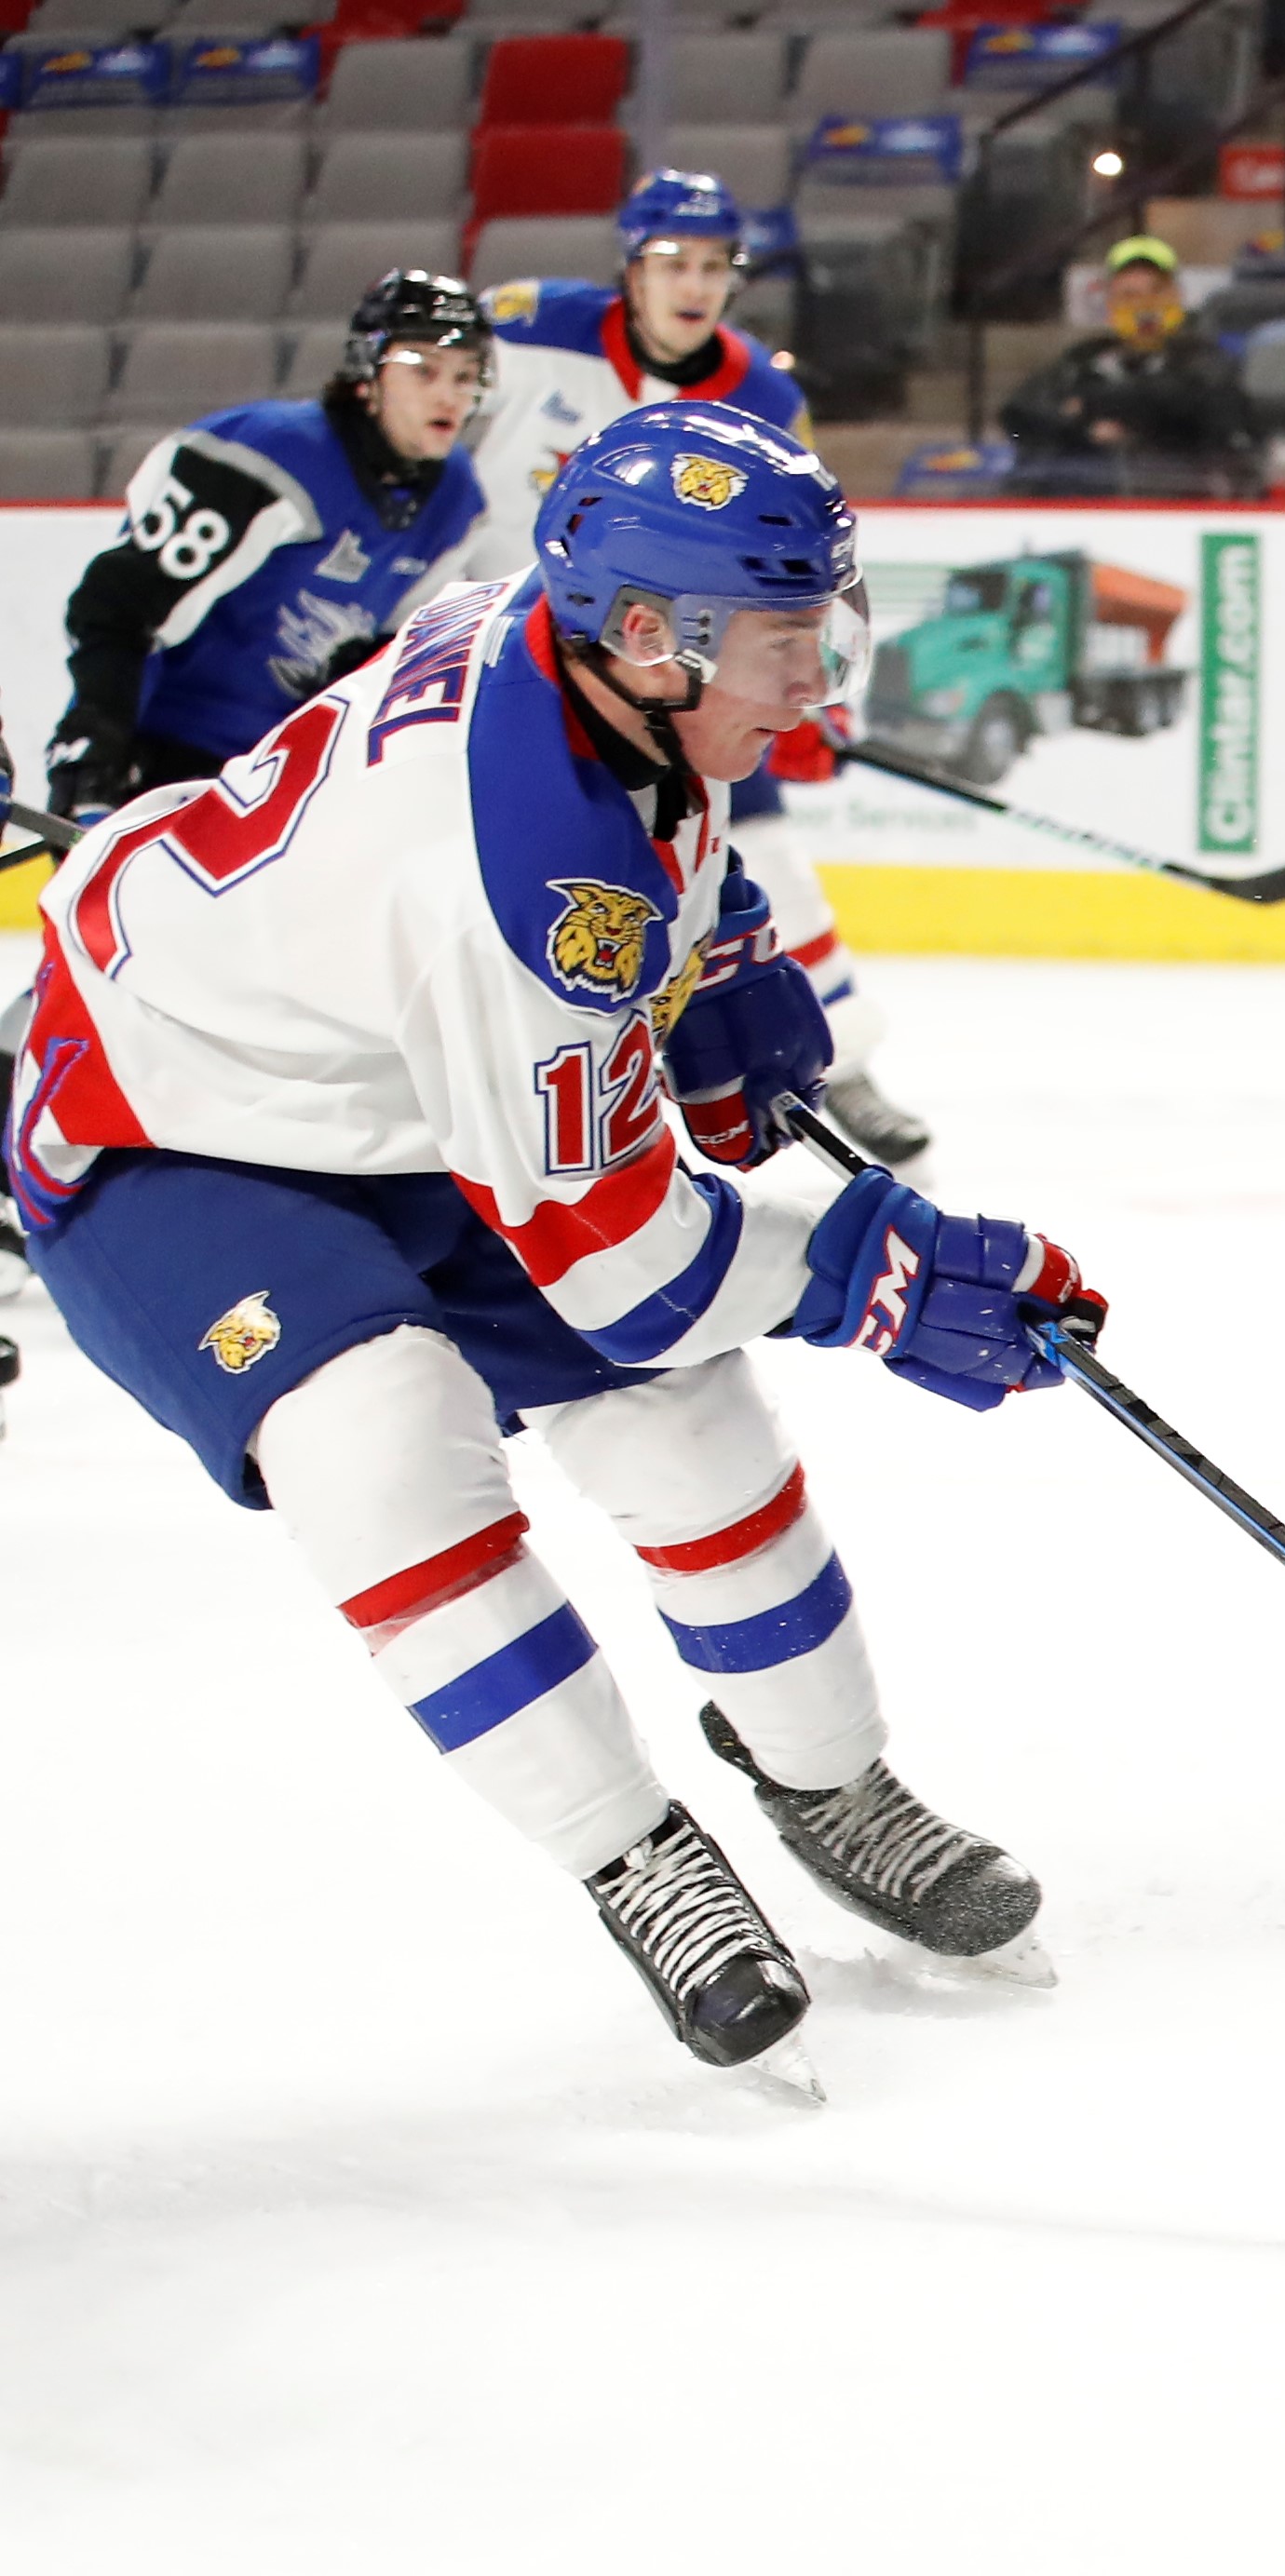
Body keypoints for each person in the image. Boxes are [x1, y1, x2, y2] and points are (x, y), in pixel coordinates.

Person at [7, 404, 1094, 2080]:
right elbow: (630, 1264)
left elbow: (642, 869)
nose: (821, 684)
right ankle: (634, 1851)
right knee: (379, 1436)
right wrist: (877, 1265)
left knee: (686, 1418)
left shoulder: (579, 649)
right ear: (655, 641)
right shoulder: (527, 879)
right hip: (166, 1122)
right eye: (790, 641)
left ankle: (828, 1775)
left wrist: (719, 947)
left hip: (385, 1072)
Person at [448, 170, 938, 1169]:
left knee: (758, 855)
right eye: (673, 261)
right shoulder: (529, 328)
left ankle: (844, 1065)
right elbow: (430, 423)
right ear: (632, 265)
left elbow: (798, 554)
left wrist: (803, 673)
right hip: (499, 653)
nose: (694, 283)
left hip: (682, 667)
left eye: (714, 265)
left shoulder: (764, 393)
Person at [46, 271, 493, 826]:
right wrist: (96, 746)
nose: (449, 395)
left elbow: (379, 662)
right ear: (366, 372)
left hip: (275, 778)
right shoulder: (264, 456)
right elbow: (117, 609)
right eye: (424, 370)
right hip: (155, 757)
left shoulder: (457, 499)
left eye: (466, 376)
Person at [1001, 237, 1265, 502]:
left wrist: (1090, 405)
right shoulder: (1084, 358)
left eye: (1156, 292)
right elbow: (1019, 414)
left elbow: (1187, 401)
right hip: (1091, 495)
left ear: (1177, 296)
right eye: (1129, 296)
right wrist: (1083, 428)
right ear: (1110, 304)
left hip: (1177, 495)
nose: (1145, 306)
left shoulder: (1208, 358)